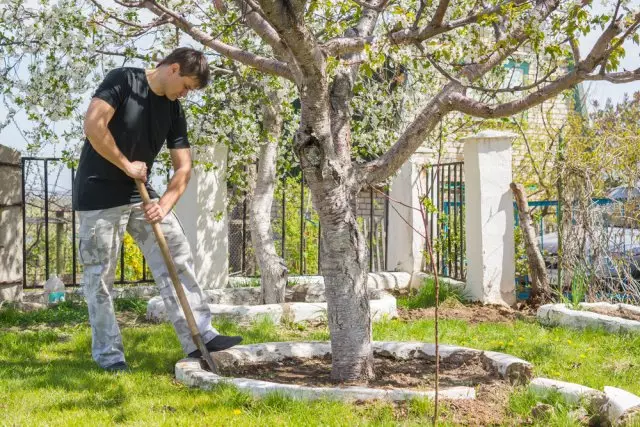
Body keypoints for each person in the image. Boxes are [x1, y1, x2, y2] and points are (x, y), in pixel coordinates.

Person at [73, 47, 242, 372]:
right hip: (98, 193)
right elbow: (93, 125)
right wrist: (126, 165)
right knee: (100, 278)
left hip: (141, 196)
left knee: (176, 255)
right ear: (174, 69)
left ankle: (200, 338)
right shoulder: (124, 79)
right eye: (188, 86)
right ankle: (110, 359)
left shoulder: (173, 109)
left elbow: (183, 167)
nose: (187, 94)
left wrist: (164, 205)